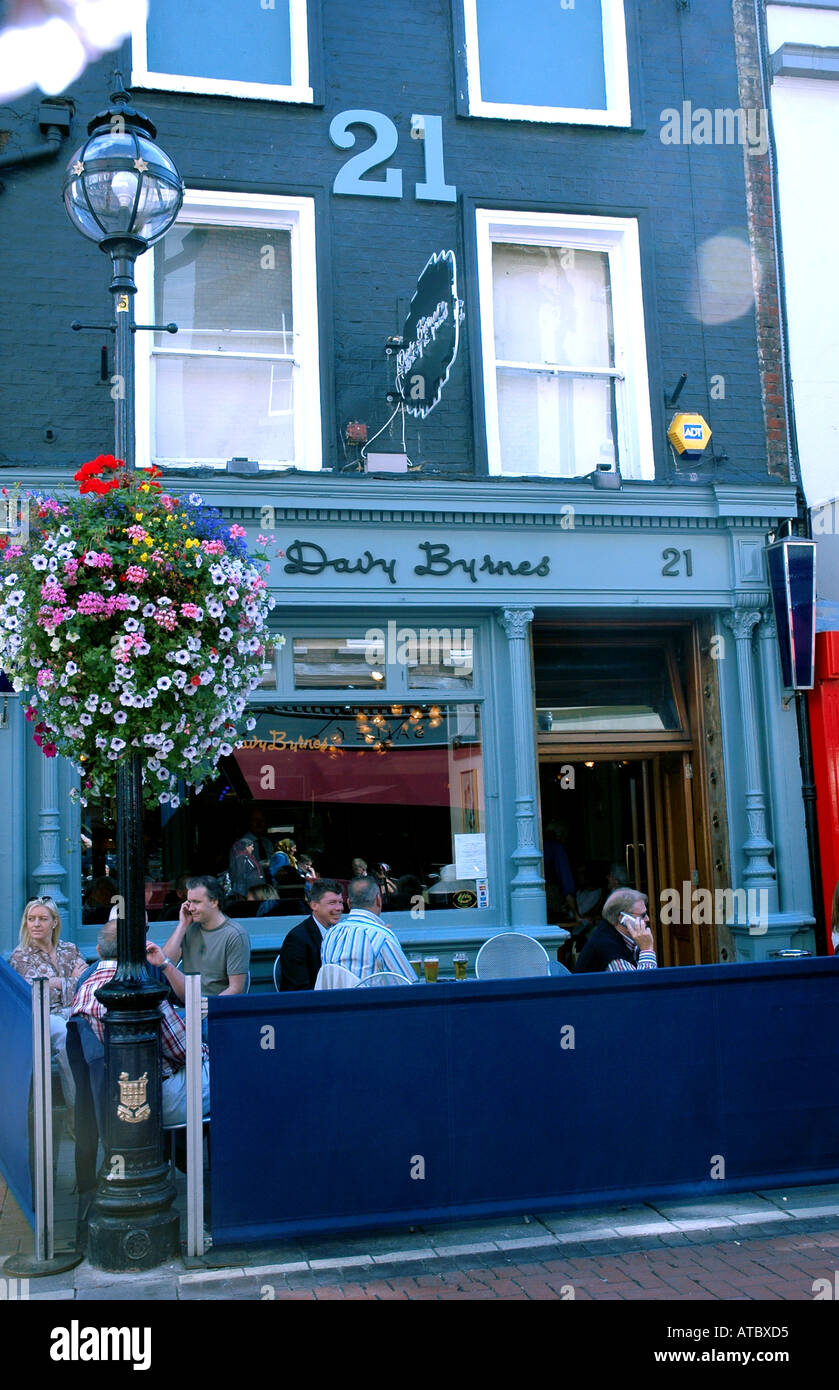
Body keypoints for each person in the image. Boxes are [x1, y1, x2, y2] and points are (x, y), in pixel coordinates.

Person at [71, 922, 210, 1126]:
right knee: (231, 1069)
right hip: (156, 1097)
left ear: (99, 951)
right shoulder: (145, 991)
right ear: (137, 951)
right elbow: (185, 1052)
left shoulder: (82, 992)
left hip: (111, 1099)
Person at [10, 896, 86, 1108]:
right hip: (43, 1016)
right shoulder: (21, 956)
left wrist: (57, 983)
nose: (35, 924)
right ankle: (76, 1114)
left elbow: (84, 986)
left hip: (75, 1010)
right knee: (66, 1036)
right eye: (31, 918)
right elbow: (37, 994)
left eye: (42, 918)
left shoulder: (70, 950)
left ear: (54, 922)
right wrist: (69, 981)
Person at [161, 875, 250, 1000]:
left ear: (214, 901)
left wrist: (204, 1009)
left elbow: (236, 989)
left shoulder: (234, 934)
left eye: (196, 902)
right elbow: (164, 962)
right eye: (189, 902)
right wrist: (182, 926)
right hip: (185, 1004)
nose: (191, 908)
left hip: (217, 1008)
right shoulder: (189, 928)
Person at [320, 876, 417, 982]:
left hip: (336, 998)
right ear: (378, 900)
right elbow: (407, 983)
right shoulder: (382, 936)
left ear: (348, 903)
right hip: (369, 998)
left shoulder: (330, 934)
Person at [279, 878, 345, 990]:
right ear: (314, 905)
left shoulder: (342, 933)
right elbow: (299, 988)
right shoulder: (297, 939)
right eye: (332, 903)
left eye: (340, 902)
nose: (339, 908)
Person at [574, 888, 657, 973]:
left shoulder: (621, 936)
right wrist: (647, 950)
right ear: (623, 919)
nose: (648, 919)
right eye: (643, 915)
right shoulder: (608, 949)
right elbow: (642, 984)